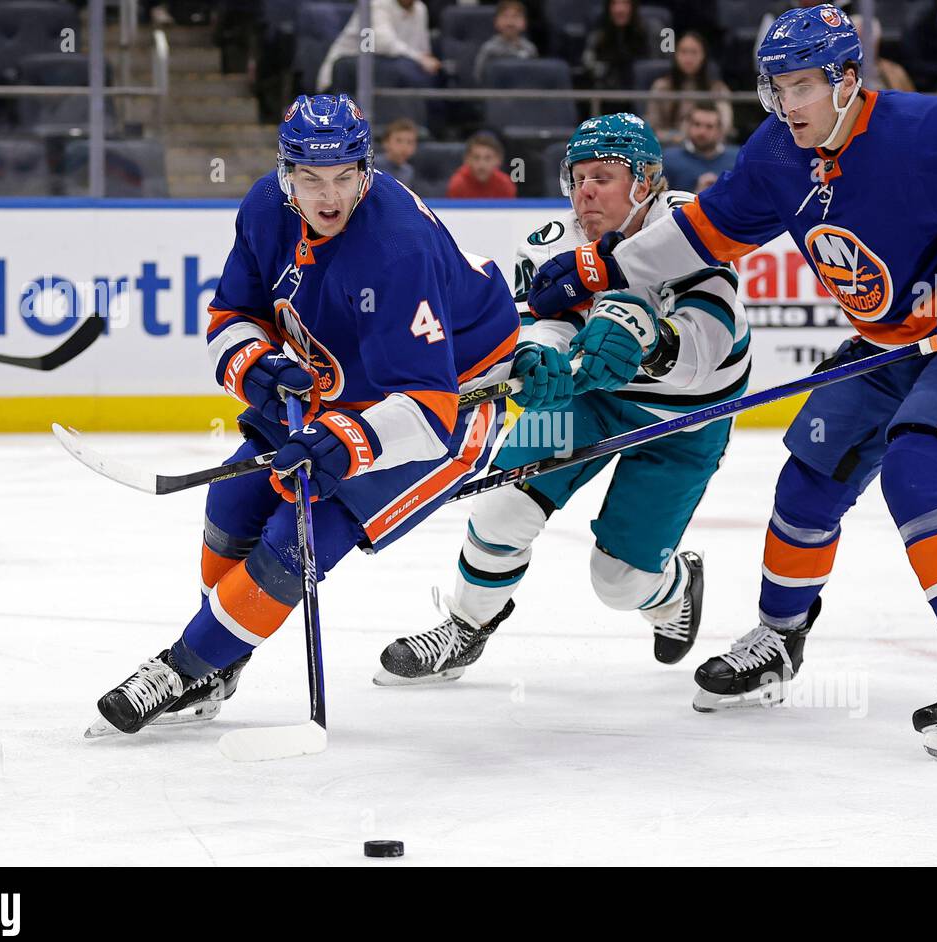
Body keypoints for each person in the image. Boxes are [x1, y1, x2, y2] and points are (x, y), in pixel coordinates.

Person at [525, 5, 937, 758]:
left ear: (847, 78)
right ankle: (780, 643)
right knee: (807, 480)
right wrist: (602, 266)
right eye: (776, 88)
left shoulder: (922, 128)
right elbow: (702, 234)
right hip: (887, 344)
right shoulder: (777, 154)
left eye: (802, 87)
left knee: (919, 468)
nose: (788, 106)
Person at [92, 94, 520, 735]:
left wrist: (344, 441)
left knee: (297, 538)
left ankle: (185, 668)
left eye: (345, 176)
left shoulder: (396, 247)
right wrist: (253, 364)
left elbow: (427, 407)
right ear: (286, 172)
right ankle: (219, 659)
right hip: (340, 382)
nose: (330, 196)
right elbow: (230, 316)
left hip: (451, 400)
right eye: (312, 178)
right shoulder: (266, 206)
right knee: (234, 504)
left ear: (365, 170)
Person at [375, 113, 749, 684]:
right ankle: (465, 628)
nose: (584, 191)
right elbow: (543, 321)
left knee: (618, 582)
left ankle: (672, 593)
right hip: (591, 397)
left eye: (603, 176)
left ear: (645, 182)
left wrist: (649, 342)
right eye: (577, 177)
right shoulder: (552, 241)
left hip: (685, 416)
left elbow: (712, 347)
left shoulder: (690, 230)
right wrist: (538, 354)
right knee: (501, 504)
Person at [317, 0, 439, 93]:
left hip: (391, 73)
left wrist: (423, 59)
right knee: (402, 70)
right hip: (347, 72)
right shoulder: (376, 3)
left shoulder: (420, 9)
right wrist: (420, 58)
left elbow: (423, 52)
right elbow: (382, 43)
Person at [646, 31, 733, 145]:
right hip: (669, 148)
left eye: (694, 52)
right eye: (683, 52)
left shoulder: (718, 89)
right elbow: (652, 128)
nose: (688, 58)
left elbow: (725, 126)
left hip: (706, 148)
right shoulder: (661, 87)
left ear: (703, 56)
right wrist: (676, 137)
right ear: (675, 55)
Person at [661, 103, 740, 192]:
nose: (702, 132)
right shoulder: (669, 159)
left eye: (709, 126)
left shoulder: (737, 159)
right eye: (697, 124)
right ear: (688, 126)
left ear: (720, 130)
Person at [583, 0, 653, 91]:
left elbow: (656, 69)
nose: (619, 10)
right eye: (614, 4)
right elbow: (588, 63)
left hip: (642, 93)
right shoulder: (597, 36)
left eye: (625, 3)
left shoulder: (650, 33)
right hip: (607, 94)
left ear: (634, 7)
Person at [474, 0, 539, 86]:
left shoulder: (530, 48)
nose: (510, 22)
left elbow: (535, 77)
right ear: (496, 22)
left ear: (524, 23)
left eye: (516, 17)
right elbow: (479, 77)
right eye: (505, 16)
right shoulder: (488, 49)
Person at [446, 132, 517, 199]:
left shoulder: (506, 186)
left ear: (498, 160)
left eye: (488, 158)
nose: (482, 164)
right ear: (467, 160)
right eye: (476, 158)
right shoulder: (458, 185)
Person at [376, 117, 418, 188]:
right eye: (399, 141)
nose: (404, 146)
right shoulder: (373, 166)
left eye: (410, 142)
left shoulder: (409, 171)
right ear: (386, 143)